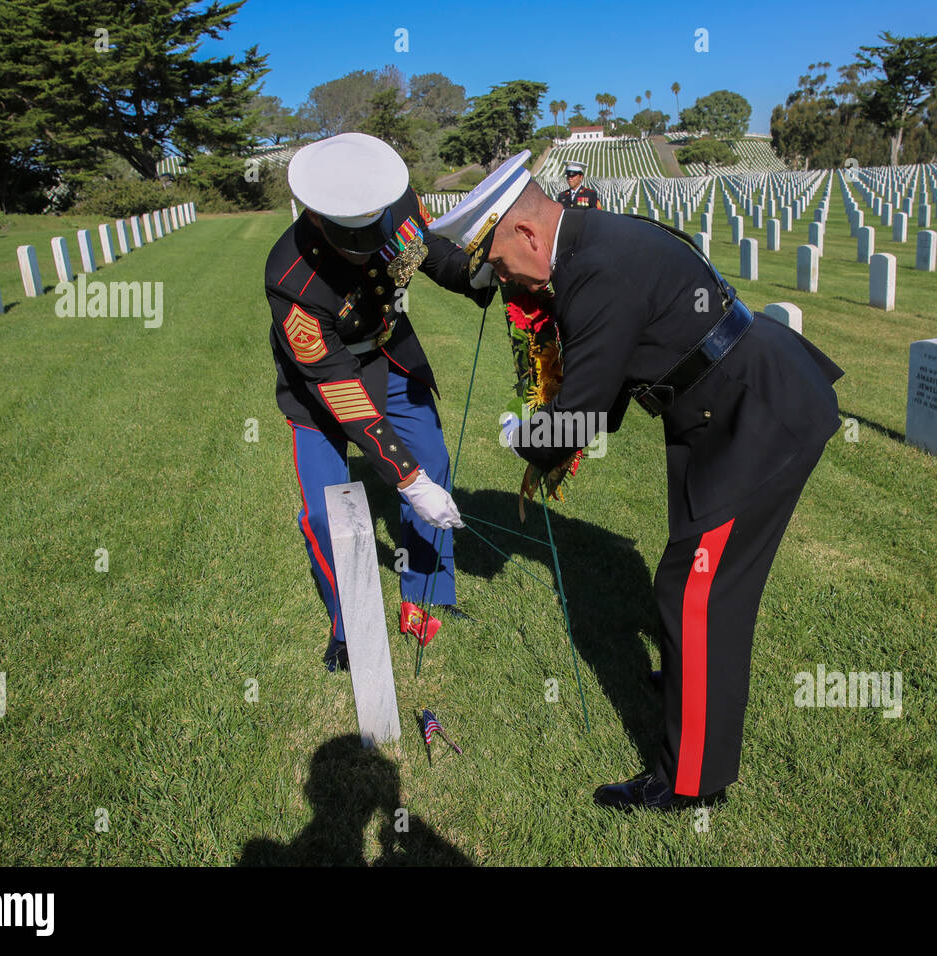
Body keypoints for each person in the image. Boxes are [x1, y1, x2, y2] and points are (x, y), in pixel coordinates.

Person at [432, 152, 843, 811]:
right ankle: (691, 680)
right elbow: (615, 369)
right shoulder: (590, 238)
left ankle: (691, 783)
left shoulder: (595, 270)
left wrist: (520, 434)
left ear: (528, 236)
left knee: (698, 592)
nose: (509, 282)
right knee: (696, 582)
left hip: (756, 414)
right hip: (716, 406)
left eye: (504, 264)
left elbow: (581, 418)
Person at [264, 133, 494, 671]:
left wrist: (474, 273)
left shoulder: (394, 202)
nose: (371, 242)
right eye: (356, 237)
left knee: (433, 462)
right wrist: (405, 480)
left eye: (376, 229)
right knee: (325, 513)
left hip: (389, 357)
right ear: (319, 219)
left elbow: (426, 251)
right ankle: (349, 623)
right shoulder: (290, 277)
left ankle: (429, 592)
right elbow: (340, 389)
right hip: (322, 386)